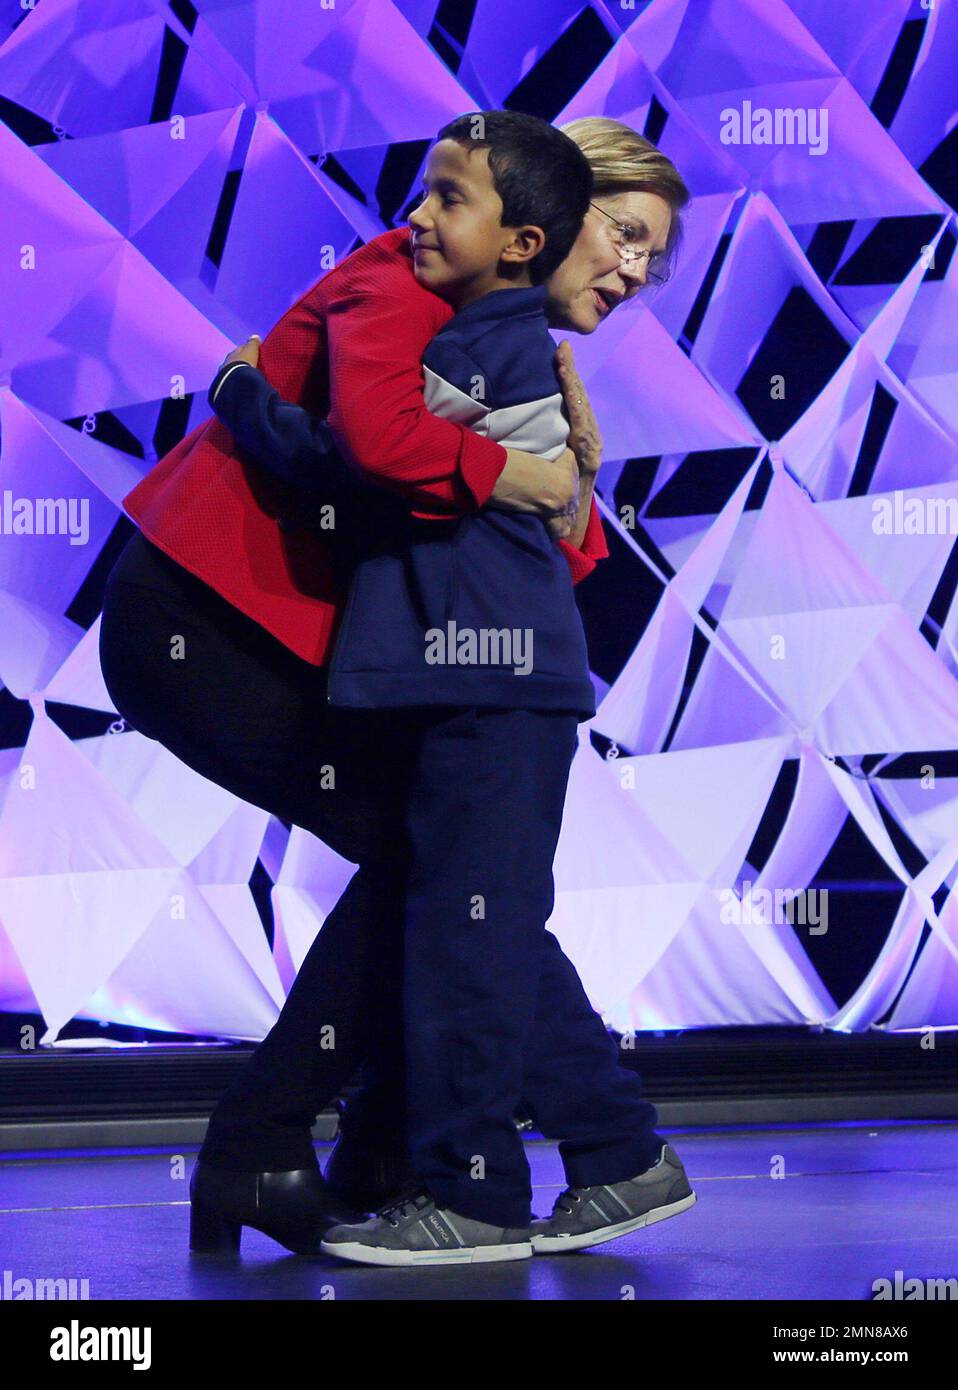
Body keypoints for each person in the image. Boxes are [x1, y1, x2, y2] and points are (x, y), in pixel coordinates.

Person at [98, 116, 692, 1261]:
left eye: (650, 258)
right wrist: (243, 392)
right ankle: (337, 1144)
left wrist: (561, 475)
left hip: (303, 637)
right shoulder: (408, 278)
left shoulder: (509, 339)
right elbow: (365, 450)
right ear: (543, 219)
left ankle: (368, 1148)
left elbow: (553, 550)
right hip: (205, 619)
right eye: (622, 235)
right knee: (443, 870)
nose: (631, 271)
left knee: (443, 873)